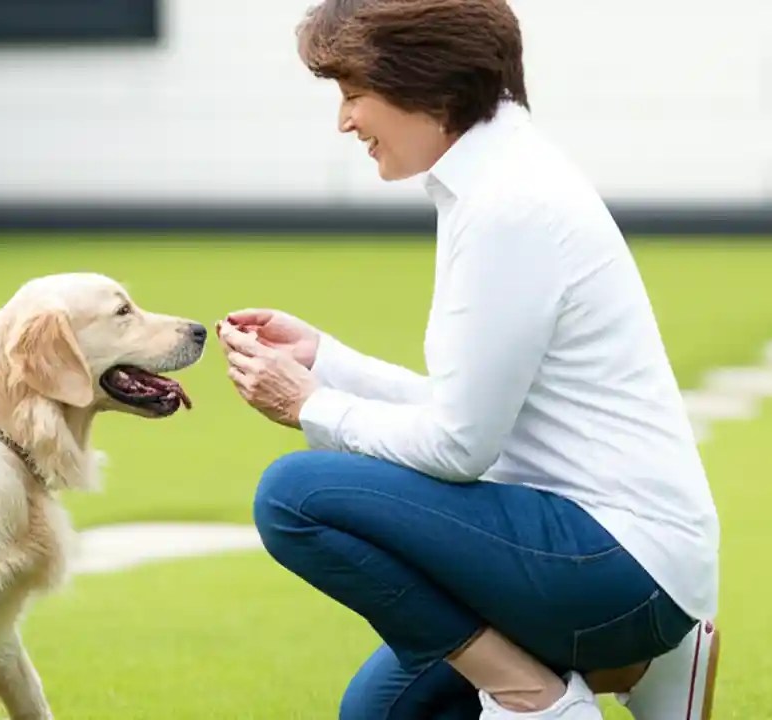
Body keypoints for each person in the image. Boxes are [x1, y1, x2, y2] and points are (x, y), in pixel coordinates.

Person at [216, 1, 720, 718]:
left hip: (617, 563)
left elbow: (458, 446)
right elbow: (471, 409)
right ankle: (646, 663)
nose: (344, 120)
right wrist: (326, 363)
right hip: (590, 542)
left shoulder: (508, 205)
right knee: (382, 714)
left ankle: (537, 697)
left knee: (294, 496)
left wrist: (307, 404)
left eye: (353, 92)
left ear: (426, 84)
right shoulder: (496, 181)